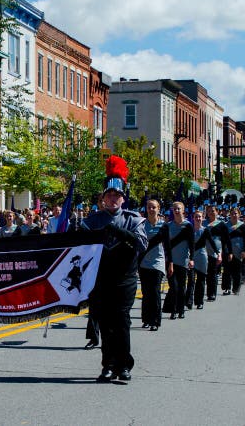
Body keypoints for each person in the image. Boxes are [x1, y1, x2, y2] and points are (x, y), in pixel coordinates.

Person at [79, 155, 147, 383]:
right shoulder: (92, 221)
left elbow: (141, 245)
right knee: (105, 323)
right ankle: (107, 365)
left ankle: (124, 365)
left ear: (122, 198)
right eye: (109, 195)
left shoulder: (133, 219)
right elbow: (79, 250)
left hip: (125, 279)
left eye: (116, 195)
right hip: (100, 280)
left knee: (122, 322)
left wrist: (120, 233)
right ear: (103, 198)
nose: (112, 198)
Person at [139, 199, 170, 331]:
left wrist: (171, 263)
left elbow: (168, 246)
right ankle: (146, 318)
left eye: (154, 207)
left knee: (155, 292)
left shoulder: (164, 226)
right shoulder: (141, 225)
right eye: (149, 207)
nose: (151, 210)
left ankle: (155, 321)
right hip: (143, 263)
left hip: (158, 262)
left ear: (158, 209)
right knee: (146, 292)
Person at [164, 202, 194, 319]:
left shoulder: (188, 225)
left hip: (183, 260)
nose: (176, 211)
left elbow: (192, 244)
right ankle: (174, 310)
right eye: (174, 209)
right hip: (170, 261)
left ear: (183, 211)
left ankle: (181, 310)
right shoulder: (168, 225)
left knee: (181, 287)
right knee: (173, 287)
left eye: (178, 209)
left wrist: (191, 259)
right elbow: (166, 244)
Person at [203, 205, 229, 301]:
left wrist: (222, 253)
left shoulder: (222, 224)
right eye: (209, 211)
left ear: (217, 212)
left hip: (216, 251)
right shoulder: (203, 223)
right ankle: (206, 292)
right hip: (204, 251)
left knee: (212, 273)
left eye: (213, 211)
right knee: (206, 273)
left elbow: (225, 240)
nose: (211, 213)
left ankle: (212, 294)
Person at [223, 207, 245, 295]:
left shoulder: (243, 226)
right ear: (230, 215)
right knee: (227, 270)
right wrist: (227, 252)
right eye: (232, 213)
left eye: (236, 213)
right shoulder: (226, 225)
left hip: (239, 252)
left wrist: (244, 251)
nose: (234, 215)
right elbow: (223, 240)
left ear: (239, 215)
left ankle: (236, 288)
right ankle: (227, 288)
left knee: (237, 271)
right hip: (228, 251)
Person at [190, 210, 210, 310]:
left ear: (202, 218)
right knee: (191, 281)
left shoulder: (205, 230)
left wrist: (218, 254)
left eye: (200, 217)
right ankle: (189, 301)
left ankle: (199, 302)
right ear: (193, 218)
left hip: (202, 256)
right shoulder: (190, 230)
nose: (198, 219)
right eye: (196, 217)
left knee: (201, 281)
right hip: (191, 258)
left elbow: (211, 242)